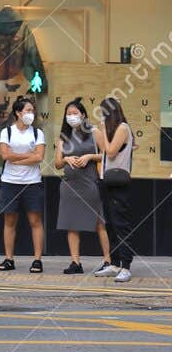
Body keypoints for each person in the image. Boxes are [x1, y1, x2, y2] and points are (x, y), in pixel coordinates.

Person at [54, 97, 110, 275]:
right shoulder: (63, 138)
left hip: (88, 183)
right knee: (71, 224)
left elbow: (106, 155)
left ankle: (108, 260)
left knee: (99, 222)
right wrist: (65, 159)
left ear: (83, 115)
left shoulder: (94, 132)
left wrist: (89, 157)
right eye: (68, 114)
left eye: (75, 113)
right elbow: (56, 164)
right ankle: (75, 262)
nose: (71, 117)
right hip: (69, 185)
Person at [0, 94, 46, 272]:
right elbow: (5, 156)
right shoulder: (7, 132)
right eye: (28, 110)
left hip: (32, 182)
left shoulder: (38, 133)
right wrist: (28, 156)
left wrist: (18, 160)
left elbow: (39, 157)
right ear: (18, 112)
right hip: (10, 181)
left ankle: (37, 260)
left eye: (32, 110)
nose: (31, 113)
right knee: (9, 221)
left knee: (35, 220)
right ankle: (9, 259)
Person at [95, 96, 137, 283]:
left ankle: (126, 266)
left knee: (121, 223)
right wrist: (104, 130)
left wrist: (103, 128)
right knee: (110, 223)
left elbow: (111, 152)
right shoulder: (112, 130)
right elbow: (104, 148)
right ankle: (114, 263)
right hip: (106, 180)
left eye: (104, 113)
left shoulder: (123, 128)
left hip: (119, 183)